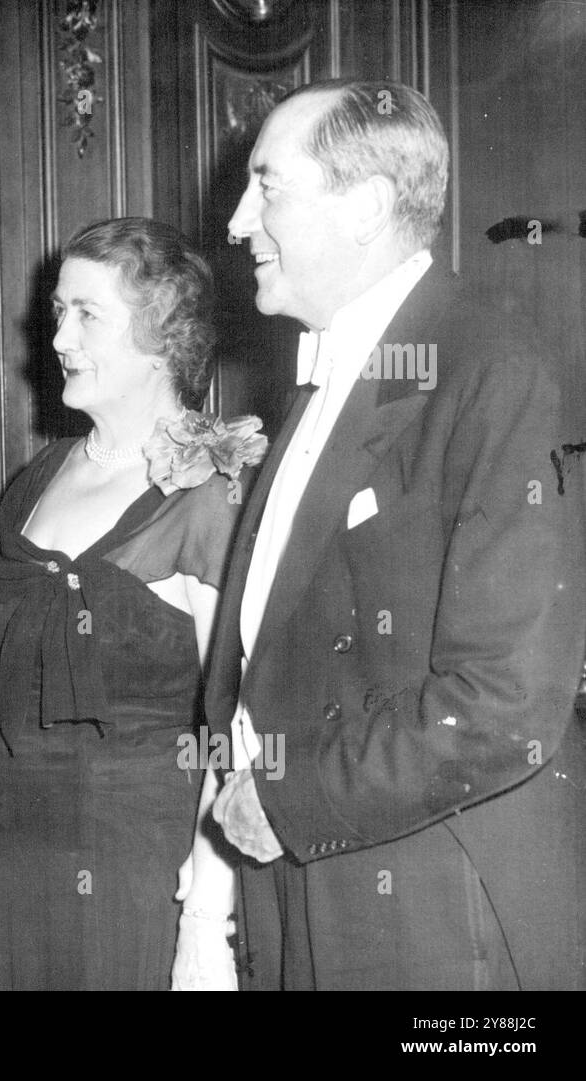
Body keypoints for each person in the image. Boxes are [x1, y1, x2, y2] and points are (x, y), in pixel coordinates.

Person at [201, 77, 586, 990]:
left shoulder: (493, 369)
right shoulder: (323, 380)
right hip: (303, 892)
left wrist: (288, 799)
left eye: (268, 186)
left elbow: (506, 701)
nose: (238, 221)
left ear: (366, 205)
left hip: (432, 914)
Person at [0, 218, 264, 989]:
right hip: (19, 863)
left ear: (160, 337)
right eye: (57, 312)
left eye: (87, 314)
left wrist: (204, 919)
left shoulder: (214, 495)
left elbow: (236, 722)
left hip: (145, 873)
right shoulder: (36, 481)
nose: (58, 338)